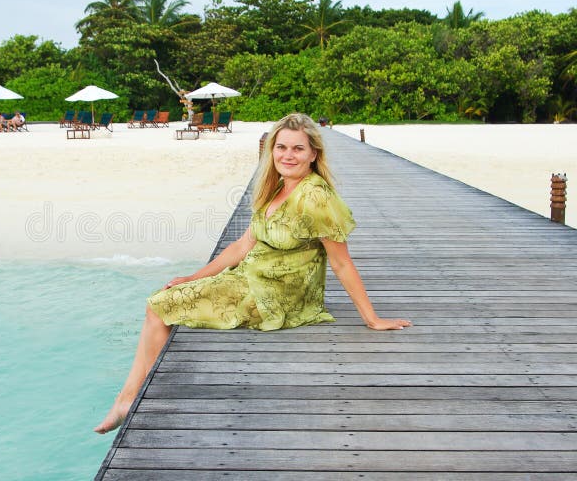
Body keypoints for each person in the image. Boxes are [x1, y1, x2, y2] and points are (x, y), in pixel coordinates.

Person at [93, 113, 412, 435]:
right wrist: (195, 277)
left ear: (314, 154)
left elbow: (342, 263)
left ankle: (130, 398)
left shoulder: (315, 197)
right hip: (252, 277)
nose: (288, 155)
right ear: (271, 150)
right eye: (282, 147)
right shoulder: (277, 190)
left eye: (298, 149)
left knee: (159, 307)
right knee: (162, 302)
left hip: (276, 296)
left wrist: (372, 319)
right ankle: (132, 396)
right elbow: (242, 245)